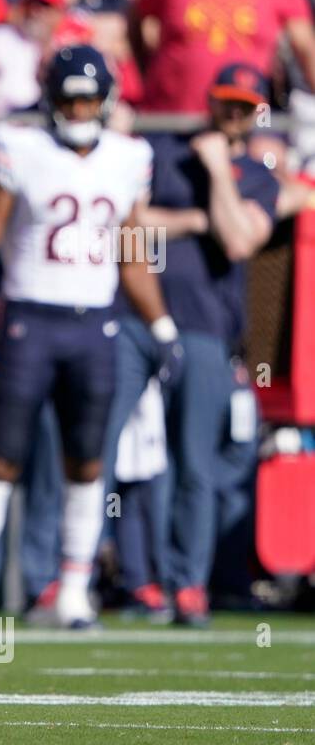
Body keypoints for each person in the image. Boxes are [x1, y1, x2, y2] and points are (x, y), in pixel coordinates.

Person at [0, 45, 180, 629]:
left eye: (89, 97)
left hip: (95, 325)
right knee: (1, 457)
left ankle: (73, 593)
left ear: (107, 100)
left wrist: (162, 324)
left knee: (88, 461)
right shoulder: (20, 148)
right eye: (70, 96)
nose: (79, 107)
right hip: (29, 320)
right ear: (50, 97)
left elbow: (131, 252)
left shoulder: (128, 157)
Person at [108, 63, 278, 626]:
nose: (233, 113)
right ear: (210, 101)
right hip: (135, 319)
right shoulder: (163, 150)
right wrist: (196, 217)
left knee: (193, 465)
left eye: (244, 105)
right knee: (113, 457)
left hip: (205, 331)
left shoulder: (256, 174)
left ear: (255, 113)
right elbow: (128, 220)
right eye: (226, 101)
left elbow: (236, 239)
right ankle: (117, 581)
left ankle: (188, 585)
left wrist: (216, 172)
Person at [133, 0, 315, 116]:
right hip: (171, 119)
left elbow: (306, 49)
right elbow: (135, 17)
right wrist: (142, 67)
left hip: (243, 119)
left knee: (268, 149)